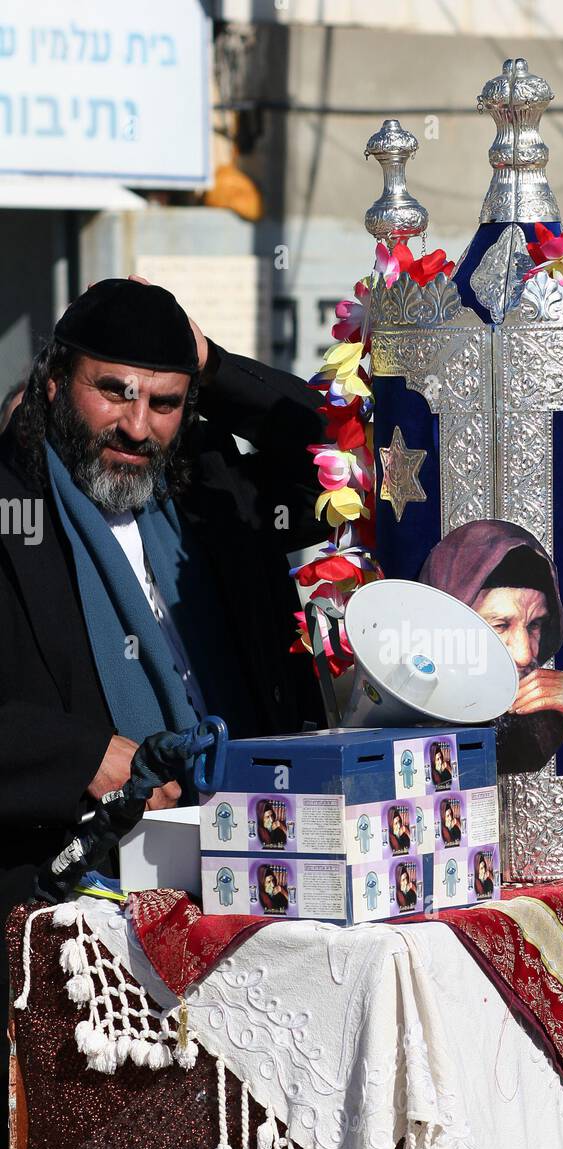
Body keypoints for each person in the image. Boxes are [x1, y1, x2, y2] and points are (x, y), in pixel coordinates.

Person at [0, 276, 326, 918]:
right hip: (73, 907)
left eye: (165, 401)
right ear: (55, 382)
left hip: (260, 875)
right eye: (114, 392)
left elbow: (339, 449)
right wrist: (80, 758)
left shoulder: (211, 491)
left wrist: (214, 363)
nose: (136, 426)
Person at [419, 520, 563, 774]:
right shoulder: (406, 729)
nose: (525, 655)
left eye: (535, 625)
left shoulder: (547, 716)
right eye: (500, 626)